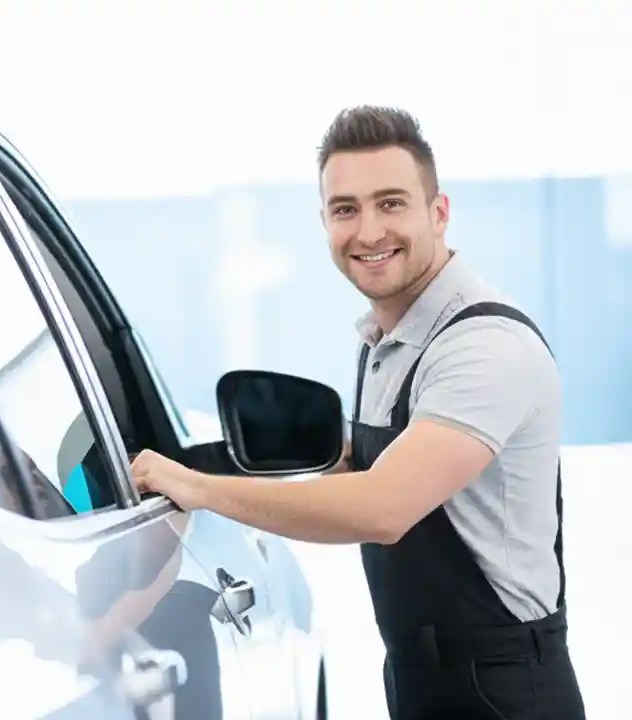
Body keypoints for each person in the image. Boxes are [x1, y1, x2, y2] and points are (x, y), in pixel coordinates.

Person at [131, 106, 585, 719]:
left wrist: (201, 488)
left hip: (502, 693)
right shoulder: (384, 341)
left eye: (391, 203)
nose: (368, 231)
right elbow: (360, 477)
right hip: (419, 680)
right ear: (325, 222)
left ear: (439, 212)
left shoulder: (483, 346)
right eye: (346, 209)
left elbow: (384, 506)